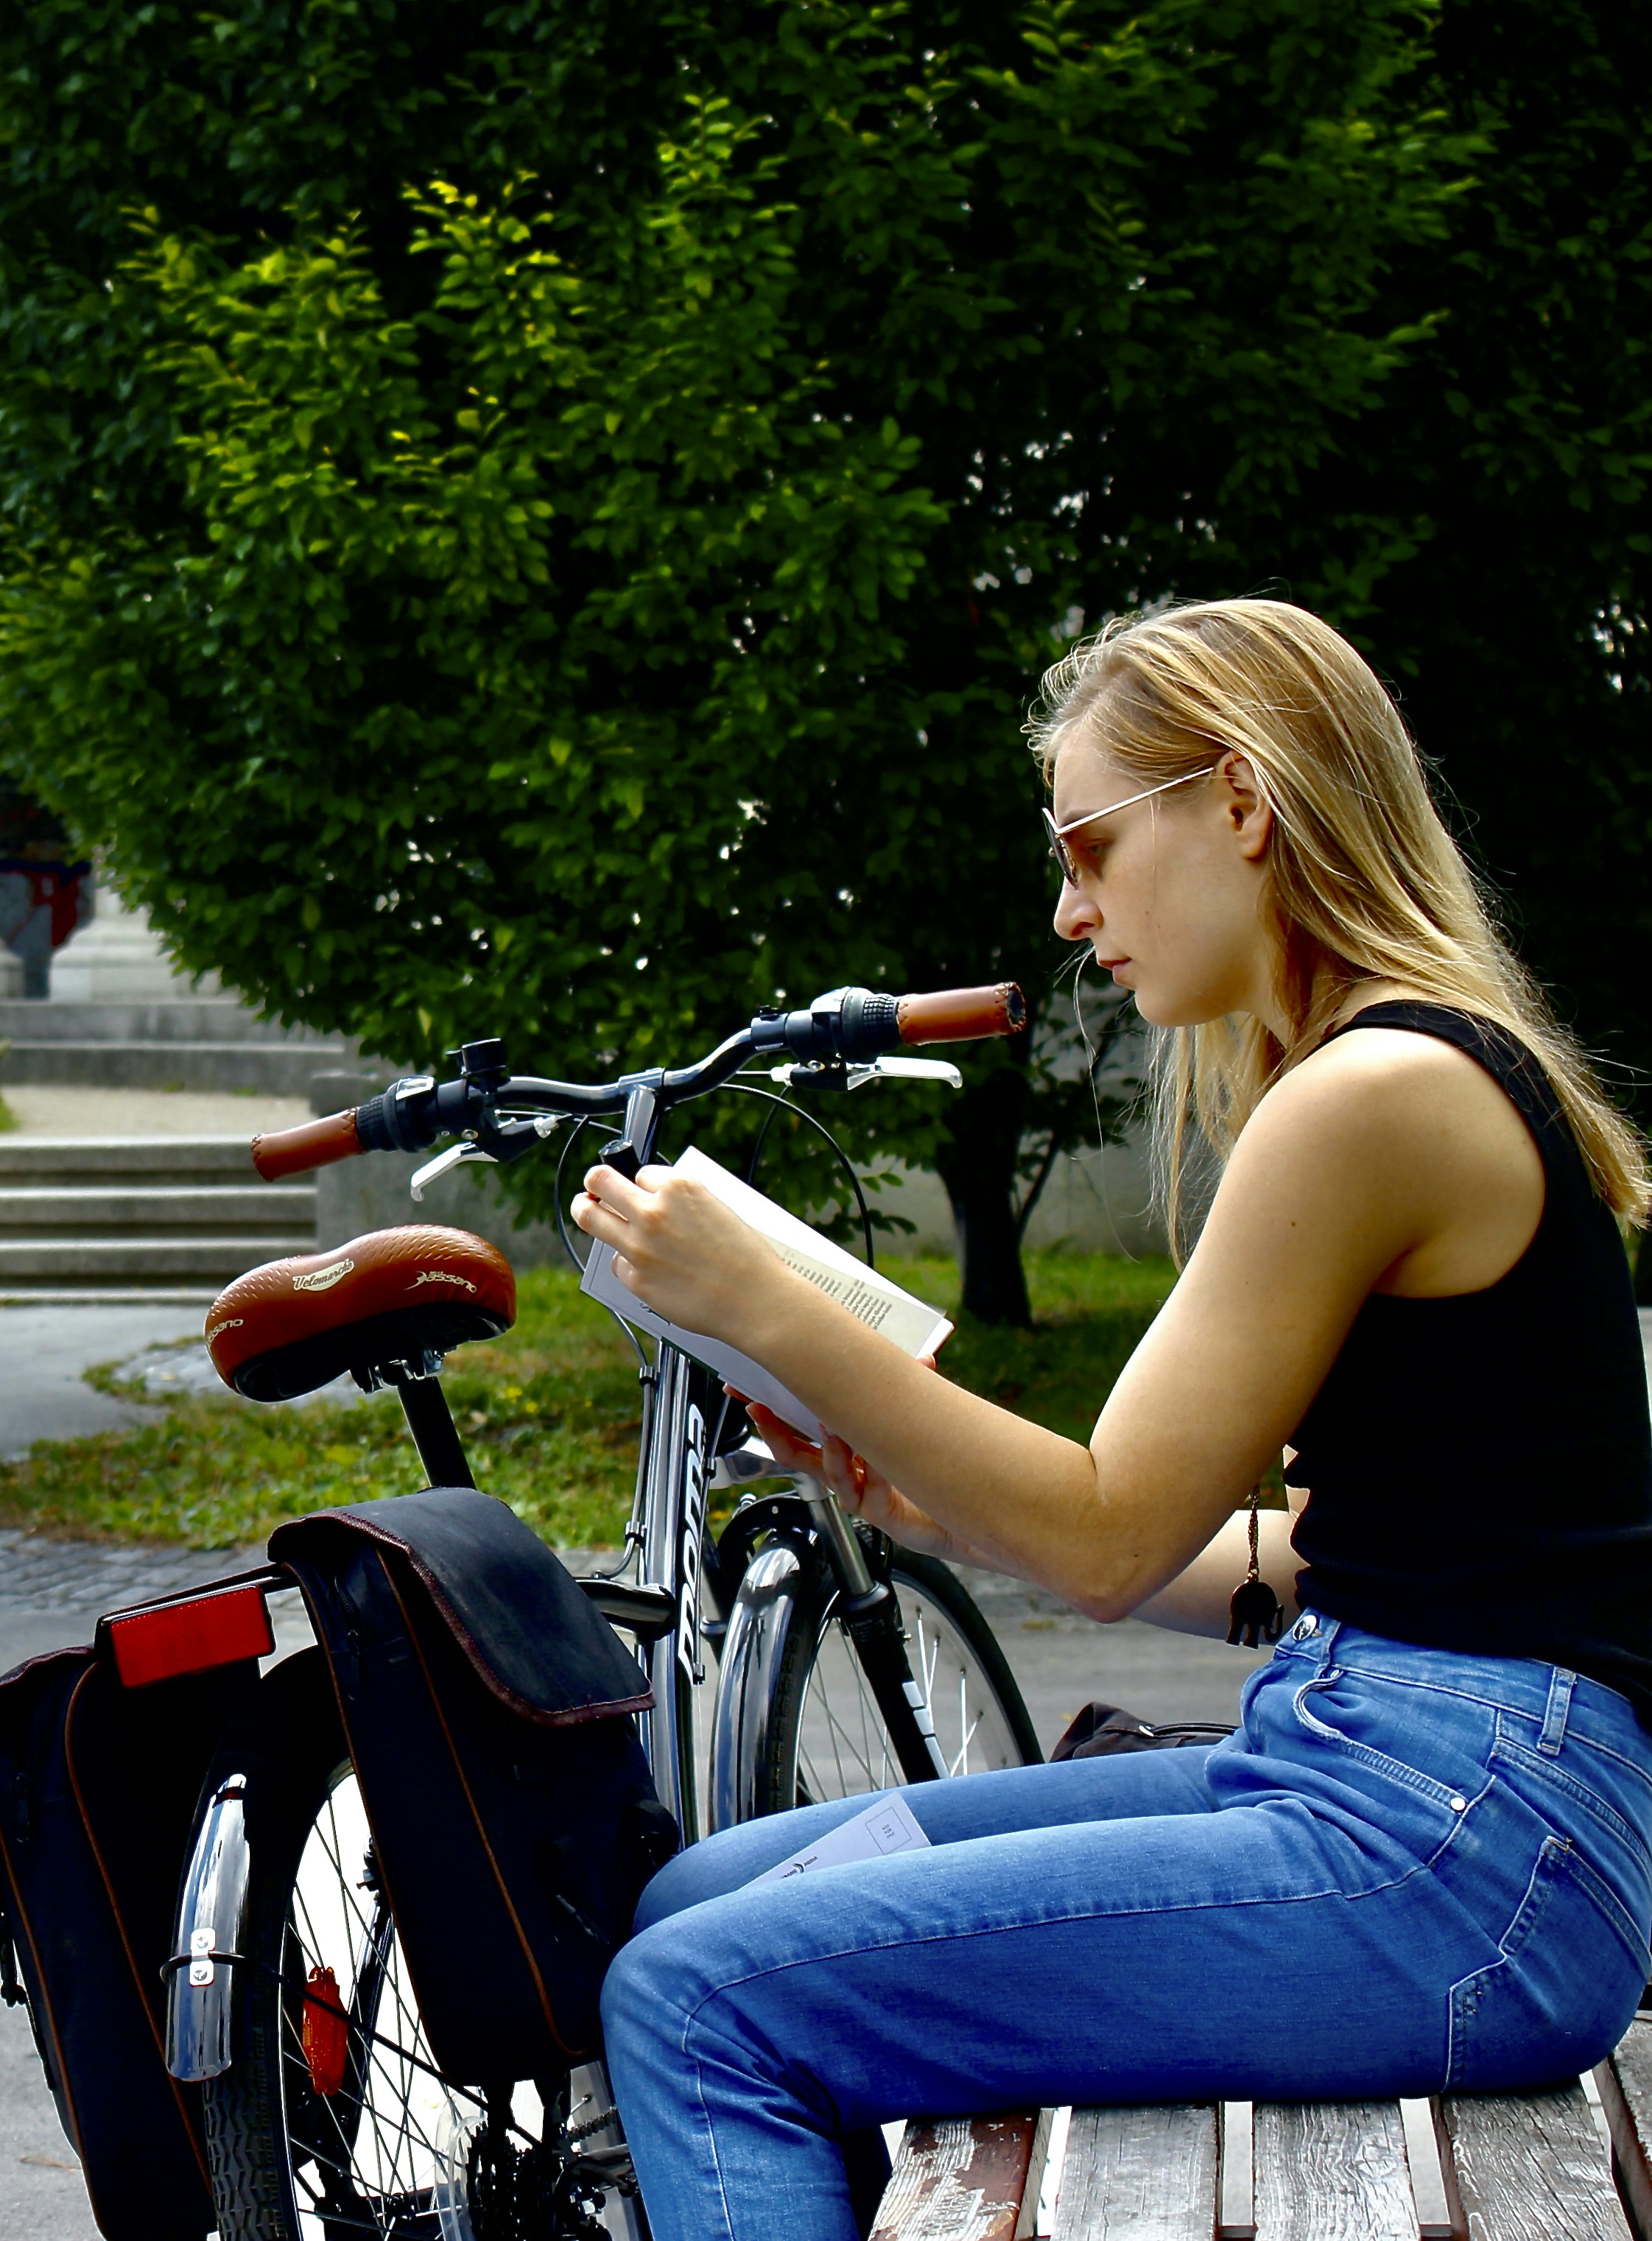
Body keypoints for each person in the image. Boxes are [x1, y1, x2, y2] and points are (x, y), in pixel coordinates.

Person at [574, 597, 1652, 2241]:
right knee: (709, 1898)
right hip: (1415, 1782)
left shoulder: (1372, 1096)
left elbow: (1104, 1527)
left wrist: (763, 1299)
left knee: (696, 2001)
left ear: (1240, 801)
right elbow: (1349, 1558)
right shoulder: (1401, 1077)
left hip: (1464, 1854)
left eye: (1089, 843)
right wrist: (926, 1507)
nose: (1073, 910)